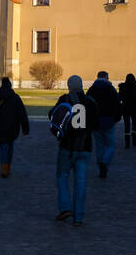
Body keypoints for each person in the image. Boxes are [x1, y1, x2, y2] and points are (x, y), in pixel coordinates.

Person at [53, 75, 98, 225]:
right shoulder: (90, 102)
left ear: (69, 86)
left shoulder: (65, 99)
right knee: (81, 182)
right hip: (85, 147)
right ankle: (78, 216)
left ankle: (65, 207)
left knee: (62, 176)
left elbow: (53, 115)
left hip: (67, 145)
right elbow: (96, 123)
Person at [0, 76, 29, 177]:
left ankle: (4, 169)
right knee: (9, 147)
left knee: (3, 147)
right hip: (12, 127)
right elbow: (22, 114)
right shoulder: (15, 98)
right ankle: (7, 168)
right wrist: (25, 128)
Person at [86, 71, 123, 178]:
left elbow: (87, 104)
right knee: (111, 145)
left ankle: (100, 164)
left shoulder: (92, 89)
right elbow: (117, 104)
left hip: (95, 122)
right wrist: (117, 117)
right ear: (107, 77)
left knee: (99, 145)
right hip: (109, 120)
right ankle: (105, 161)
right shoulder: (110, 89)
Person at [119, 73, 136, 148]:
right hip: (134, 108)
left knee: (126, 125)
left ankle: (127, 144)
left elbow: (119, 98)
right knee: (134, 124)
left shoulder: (122, 87)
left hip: (125, 108)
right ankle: (134, 141)